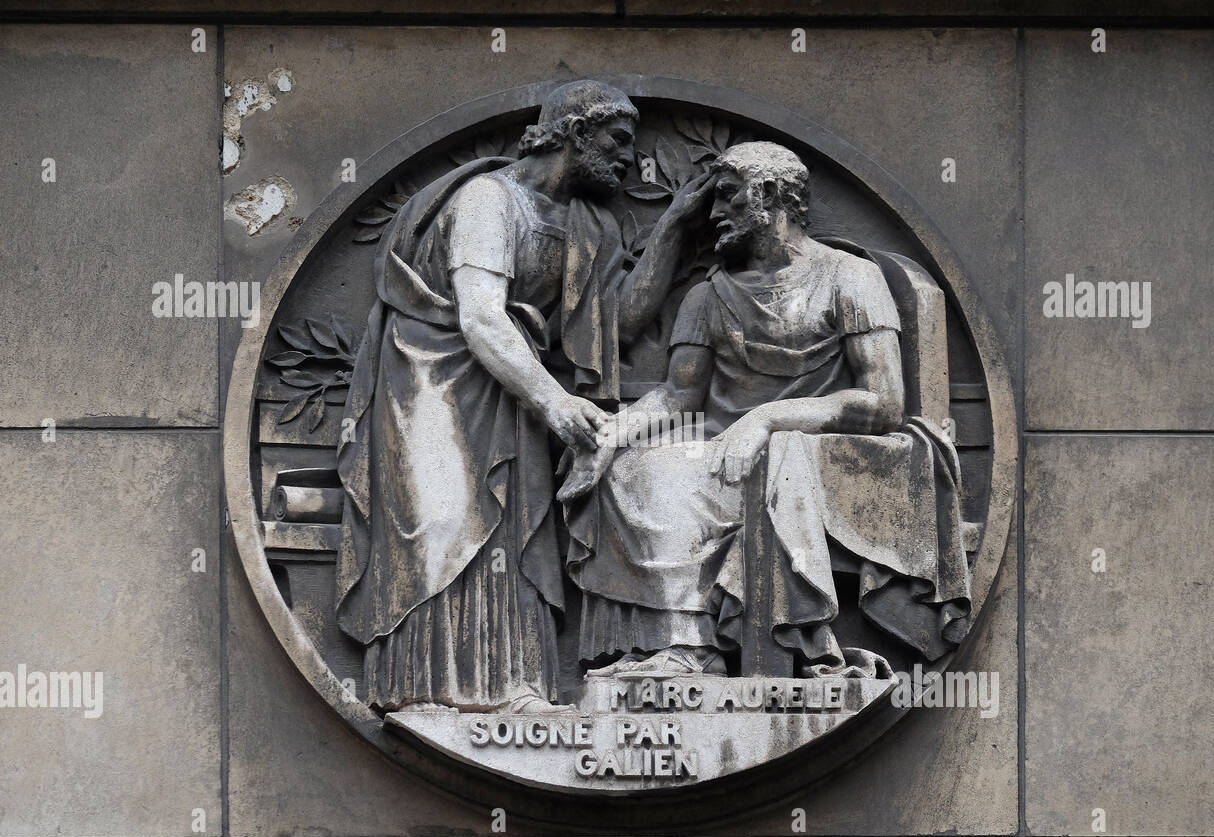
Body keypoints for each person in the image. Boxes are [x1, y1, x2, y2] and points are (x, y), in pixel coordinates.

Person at [335, 80, 711, 713]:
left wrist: (671, 229)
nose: (627, 157)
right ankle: (425, 692)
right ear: (573, 132)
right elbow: (480, 317)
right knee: (446, 524)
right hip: (435, 379)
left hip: (516, 388)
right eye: (617, 140)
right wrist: (556, 403)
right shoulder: (489, 199)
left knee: (515, 537)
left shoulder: (589, 222)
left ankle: (516, 691)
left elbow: (614, 326)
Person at [560, 141, 970, 678]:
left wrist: (767, 419)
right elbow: (679, 396)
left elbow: (884, 402)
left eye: (728, 197)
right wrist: (612, 434)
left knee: (782, 459)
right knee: (632, 469)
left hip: (822, 457)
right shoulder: (709, 297)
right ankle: (687, 645)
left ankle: (796, 642)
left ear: (771, 195)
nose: (714, 214)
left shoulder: (850, 277)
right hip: (725, 453)